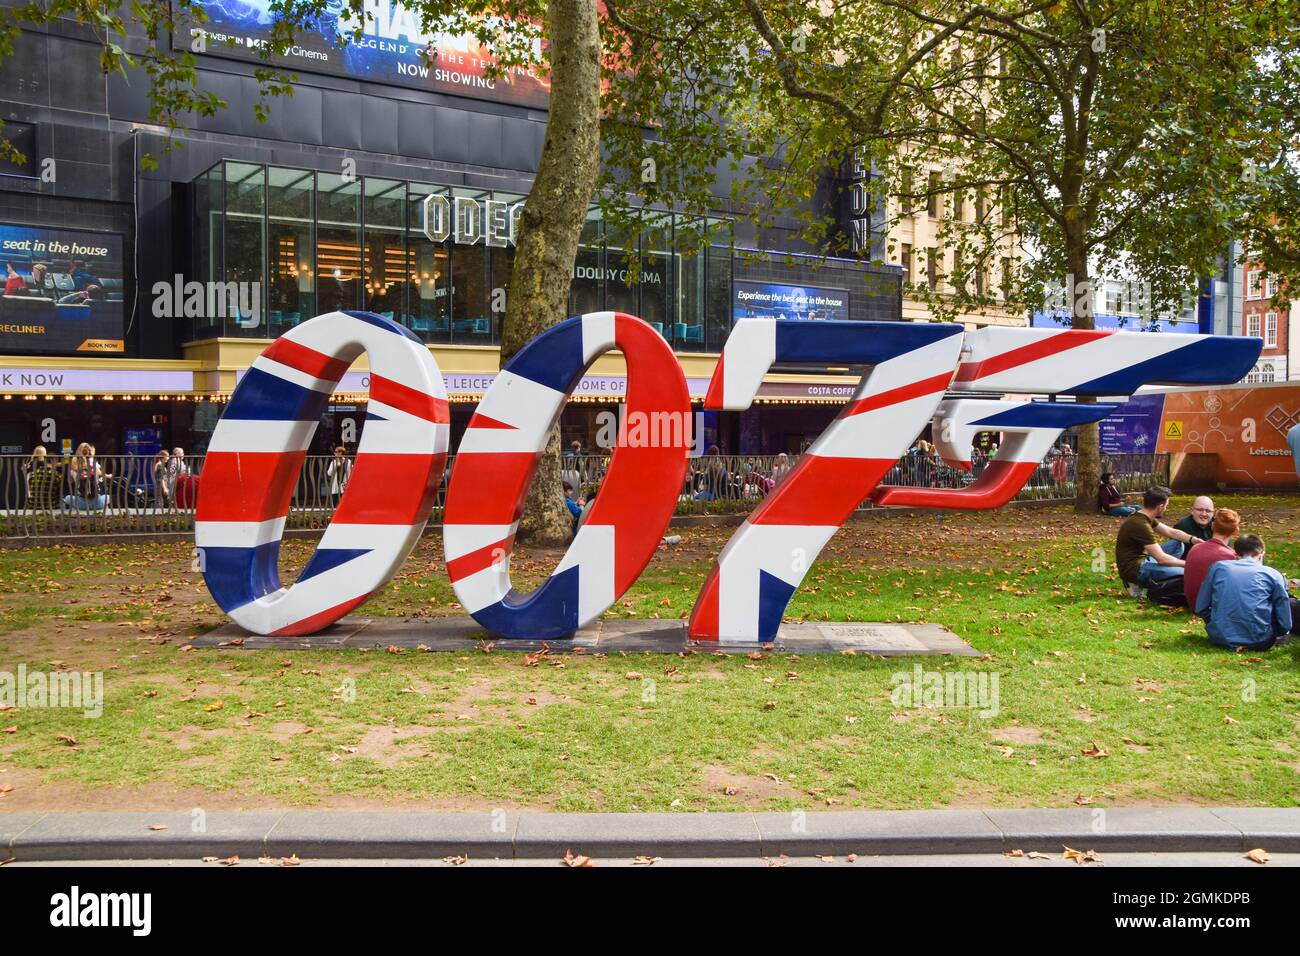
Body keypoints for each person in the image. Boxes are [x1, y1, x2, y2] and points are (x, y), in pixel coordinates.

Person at [1194, 535, 1294, 650]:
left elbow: (1200, 608)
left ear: (1236, 554)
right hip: (1260, 639)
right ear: (1262, 554)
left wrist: (1216, 622)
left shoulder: (1218, 568)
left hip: (1220, 637)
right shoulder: (1273, 574)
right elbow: (1285, 619)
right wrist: (1282, 630)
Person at [1114, 485, 1197, 595]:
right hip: (1135, 570)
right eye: (1166, 505)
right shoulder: (1140, 524)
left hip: (1143, 560)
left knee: (1177, 544)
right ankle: (1136, 583)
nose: (1166, 508)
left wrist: (1193, 539)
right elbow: (1162, 559)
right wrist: (1191, 564)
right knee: (1185, 573)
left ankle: (1163, 574)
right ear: (1160, 507)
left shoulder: (1143, 515)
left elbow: (1170, 532)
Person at [1182, 507, 1240, 611]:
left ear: (1212, 526)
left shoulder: (1195, 548)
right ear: (1235, 531)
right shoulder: (1231, 557)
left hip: (1193, 604)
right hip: (1214, 609)